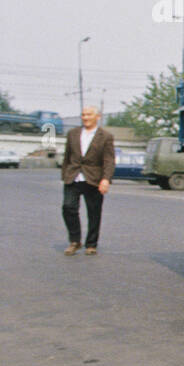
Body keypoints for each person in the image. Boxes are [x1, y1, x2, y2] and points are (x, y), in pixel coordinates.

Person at [61, 106, 115, 255]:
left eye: (89, 114)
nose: (85, 117)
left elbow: (109, 160)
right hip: (73, 177)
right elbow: (67, 156)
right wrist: (65, 175)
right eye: (83, 115)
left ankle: (91, 244)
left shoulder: (105, 136)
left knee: (94, 212)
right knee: (68, 207)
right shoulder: (73, 134)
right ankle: (75, 241)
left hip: (94, 179)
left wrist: (106, 179)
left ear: (97, 117)